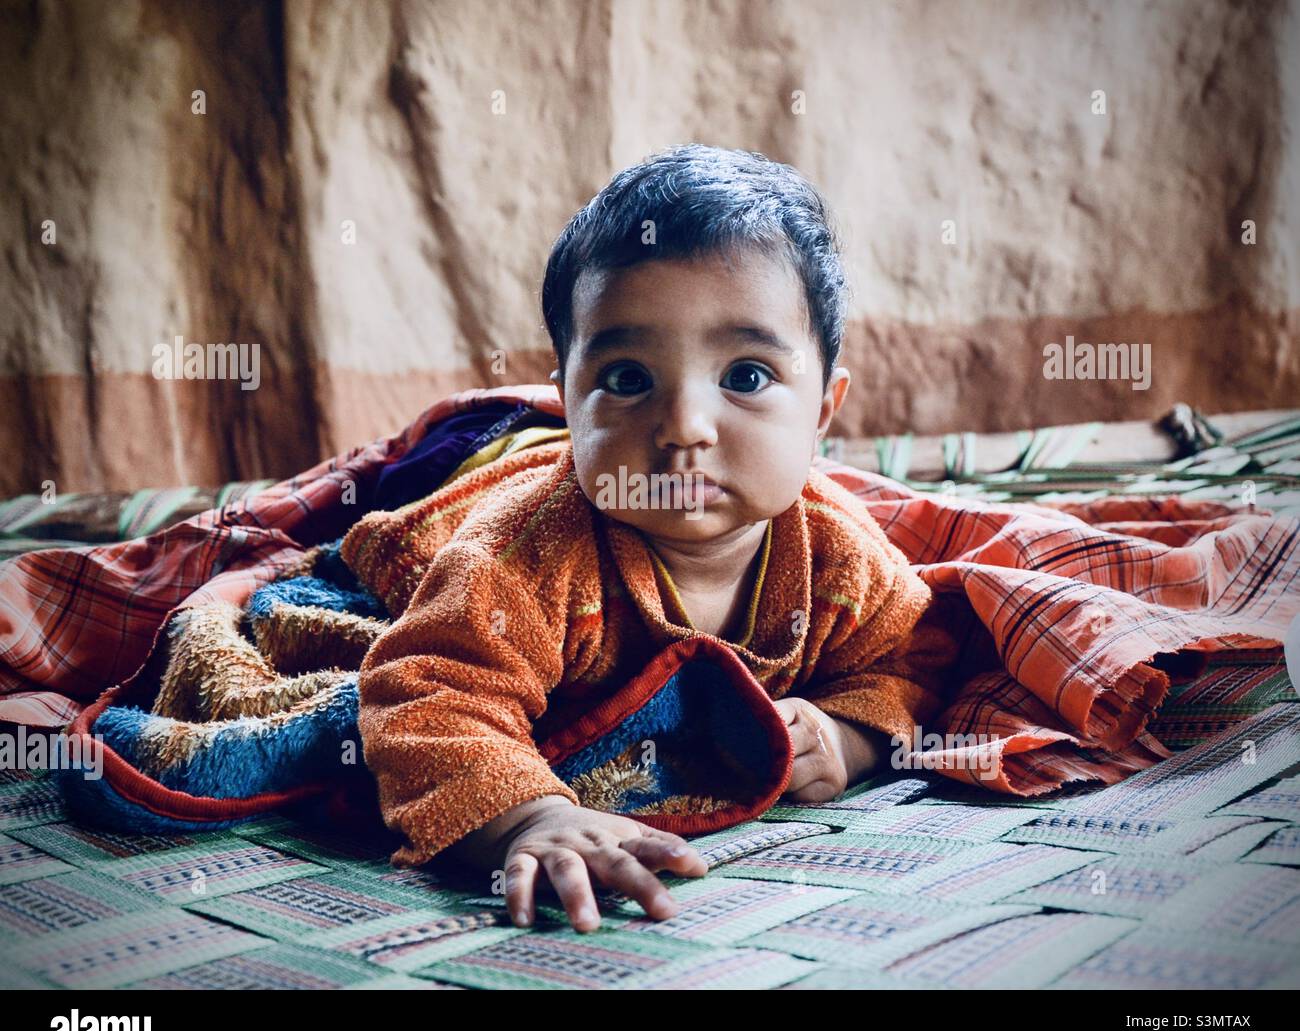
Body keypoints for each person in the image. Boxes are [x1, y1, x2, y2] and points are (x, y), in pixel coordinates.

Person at [354, 144, 959, 932]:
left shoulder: (839, 556)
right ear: (568, 398)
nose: (683, 427)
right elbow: (426, 691)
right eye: (628, 379)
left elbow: (914, 655)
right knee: (392, 494)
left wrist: (849, 736)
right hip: (469, 481)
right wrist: (528, 816)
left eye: (745, 375)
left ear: (822, 410)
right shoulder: (524, 558)